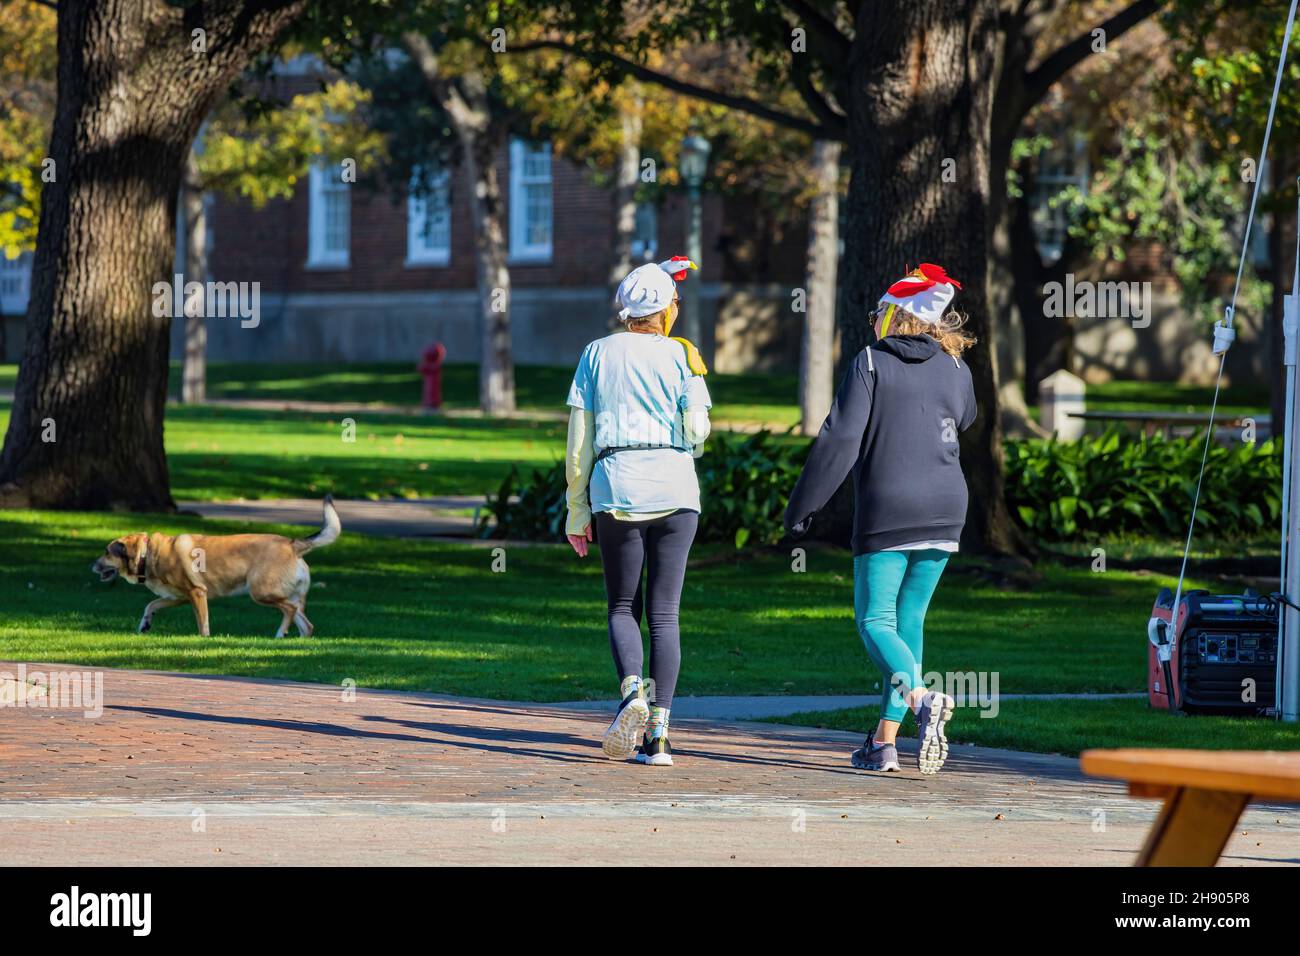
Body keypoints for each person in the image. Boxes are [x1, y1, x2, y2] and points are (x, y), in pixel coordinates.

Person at [784, 263, 977, 775]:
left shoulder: (871, 362)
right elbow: (966, 417)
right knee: (909, 622)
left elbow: (839, 438)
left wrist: (803, 505)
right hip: (946, 509)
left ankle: (920, 702)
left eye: (879, 312)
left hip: (889, 510)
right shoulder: (957, 367)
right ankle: (884, 745)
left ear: (896, 317)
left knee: (875, 621)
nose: (874, 321)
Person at [565, 257, 712, 767]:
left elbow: (579, 443)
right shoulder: (682, 355)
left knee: (622, 606)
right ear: (665, 311)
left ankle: (632, 693)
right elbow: (698, 432)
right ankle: (661, 737)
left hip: (617, 488)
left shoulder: (596, 353)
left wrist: (575, 509)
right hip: (676, 491)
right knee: (665, 616)